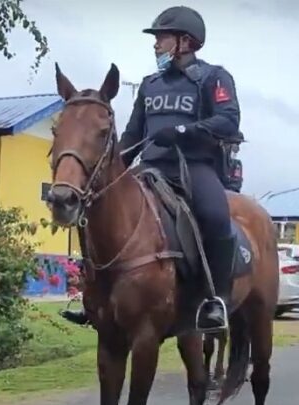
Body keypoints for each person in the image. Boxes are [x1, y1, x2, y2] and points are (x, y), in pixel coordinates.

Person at [60, 6, 241, 332]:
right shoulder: (150, 85)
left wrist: (184, 132)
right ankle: (94, 296)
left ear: (185, 42)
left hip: (194, 167)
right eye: (156, 39)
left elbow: (228, 120)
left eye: (162, 38)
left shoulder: (214, 77)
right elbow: (132, 134)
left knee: (215, 216)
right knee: (100, 209)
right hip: (150, 166)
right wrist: (112, 172)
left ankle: (216, 301)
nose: (156, 45)